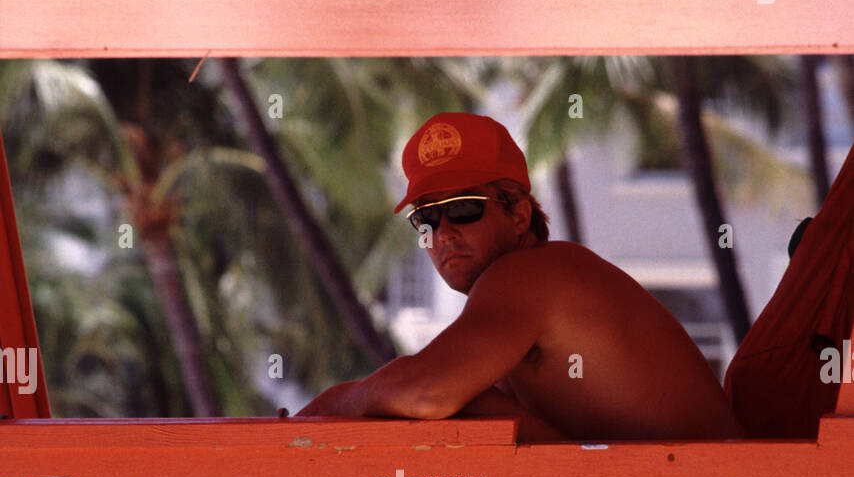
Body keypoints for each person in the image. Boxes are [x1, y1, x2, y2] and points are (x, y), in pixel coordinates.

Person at [294, 112, 744, 442]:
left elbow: (427, 392)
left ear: (518, 214)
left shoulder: (528, 274)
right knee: (477, 409)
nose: (444, 232)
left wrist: (329, 409)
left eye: (464, 208)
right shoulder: (510, 314)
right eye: (427, 219)